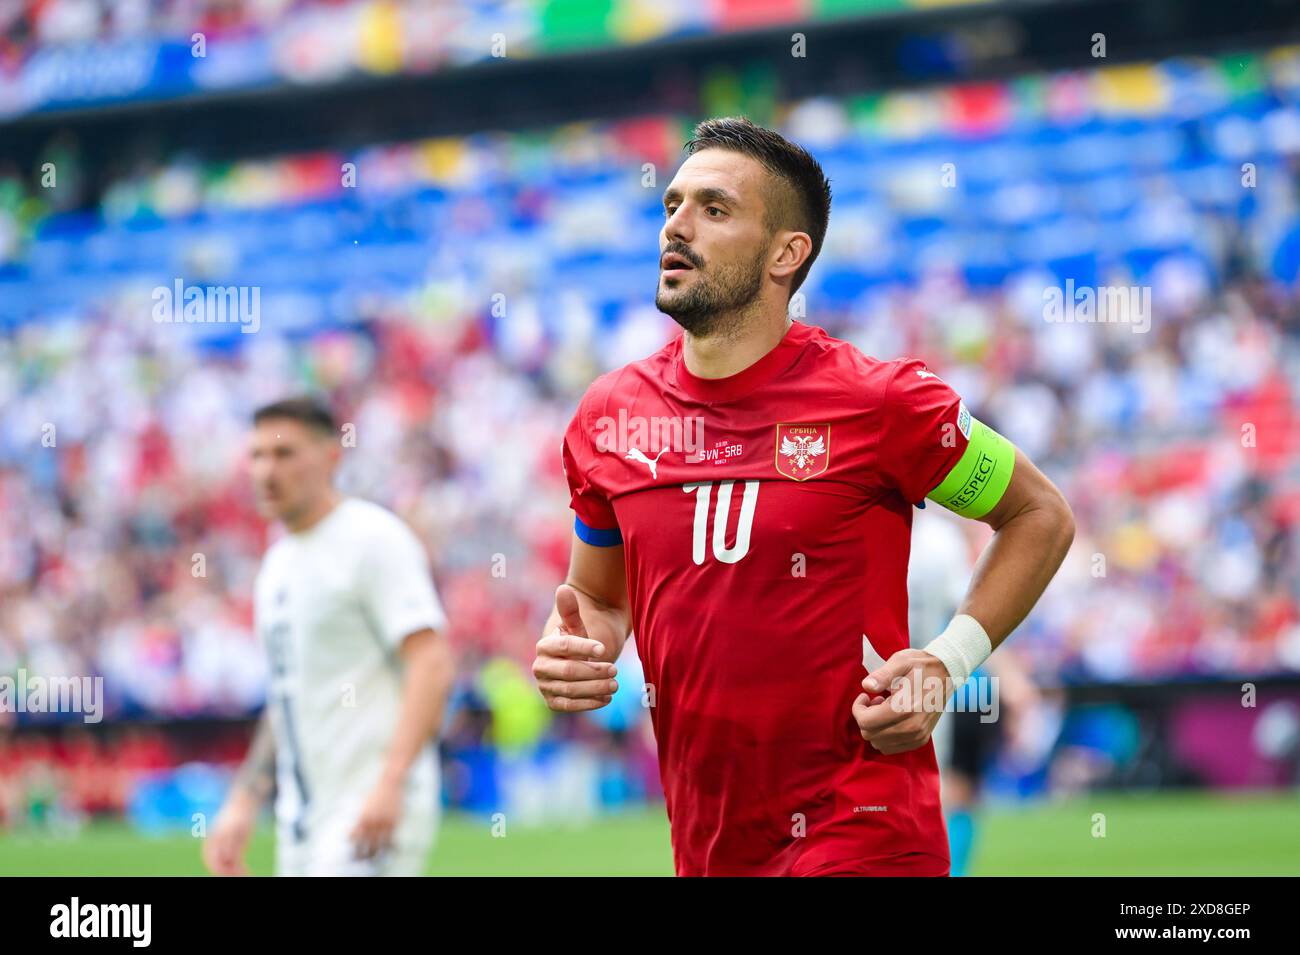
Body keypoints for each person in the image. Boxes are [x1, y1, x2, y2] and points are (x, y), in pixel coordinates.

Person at [532, 116, 1075, 876]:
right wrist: (579, 648)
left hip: (863, 832)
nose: (677, 225)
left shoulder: (884, 402)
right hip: (711, 843)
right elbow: (598, 599)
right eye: (672, 205)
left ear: (788, 253)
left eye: (714, 210)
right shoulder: (609, 416)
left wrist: (948, 662)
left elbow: (1039, 513)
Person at [203, 398, 454, 876]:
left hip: (368, 813)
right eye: (256, 456)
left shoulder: (372, 539)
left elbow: (432, 662)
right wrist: (243, 800)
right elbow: (286, 696)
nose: (266, 471)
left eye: (284, 454)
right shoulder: (277, 564)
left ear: (331, 457)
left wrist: (391, 782)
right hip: (303, 821)